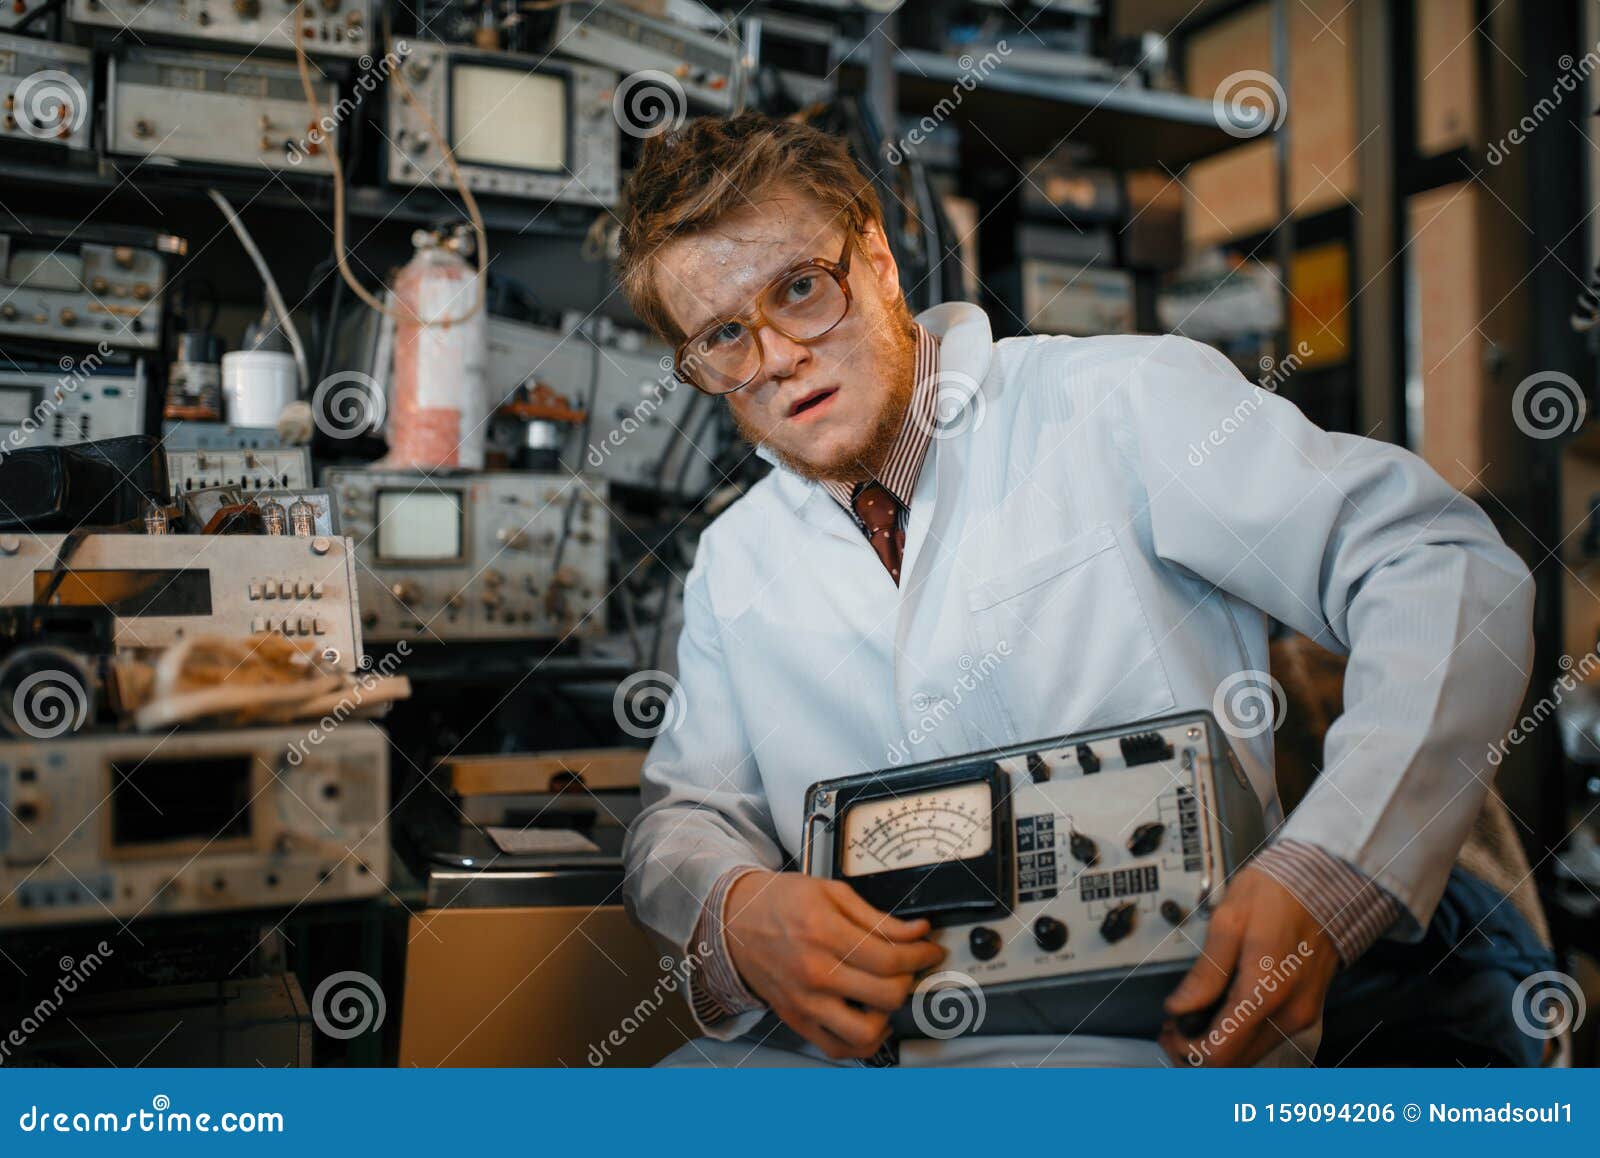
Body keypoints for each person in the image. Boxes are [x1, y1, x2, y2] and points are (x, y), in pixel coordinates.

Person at [616, 114, 1537, 1067]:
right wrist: (734, 910)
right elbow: (687, 813)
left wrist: (1331, 872)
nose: (772, 359)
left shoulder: (1122, 403)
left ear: (879, 257)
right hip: (846, 1061)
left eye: (800, 290)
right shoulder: (736, 560)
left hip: (1150, 1046)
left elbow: (1436, 563)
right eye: (724, 336)